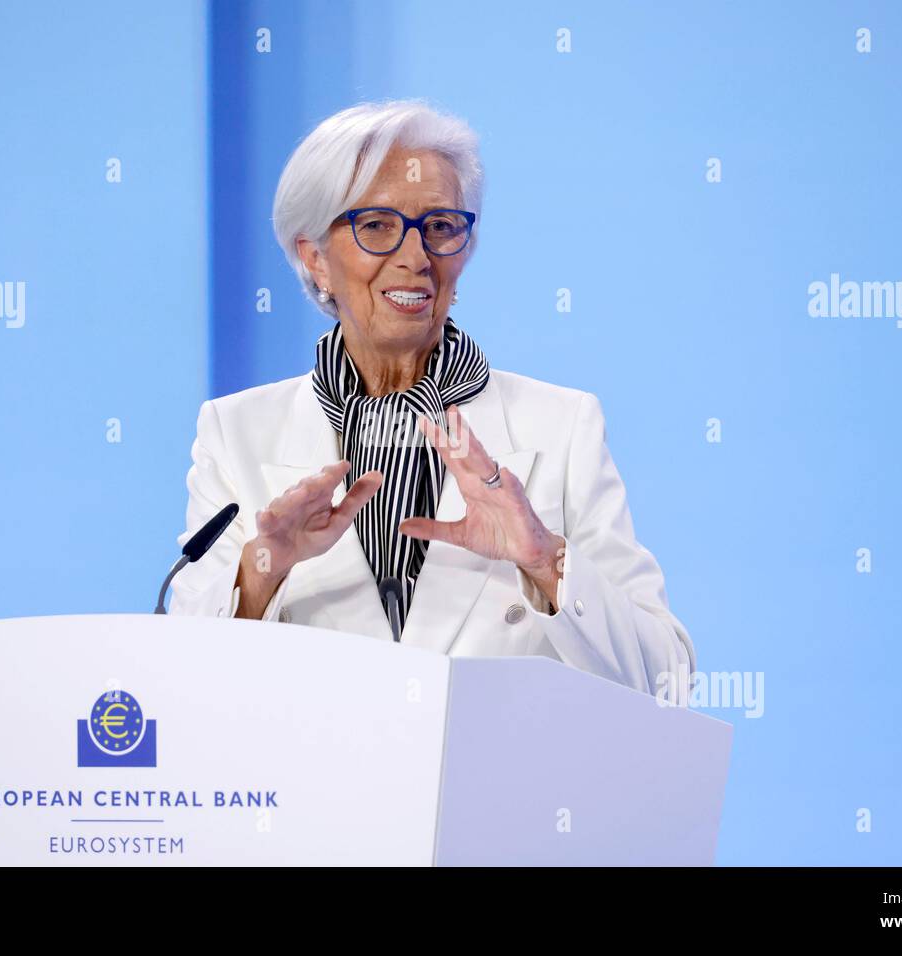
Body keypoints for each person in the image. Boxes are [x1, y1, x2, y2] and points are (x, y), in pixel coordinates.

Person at [169, 100, 695, 696]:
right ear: (314, 257)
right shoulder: (236, 431)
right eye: (376, 226)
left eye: (441, 227)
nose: (416, 258)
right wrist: (262, 572)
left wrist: (545, 560)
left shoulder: (561, 424)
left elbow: (667, 681)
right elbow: (182, 689)